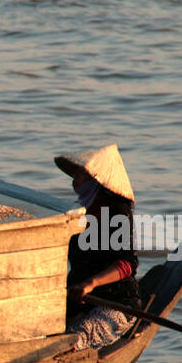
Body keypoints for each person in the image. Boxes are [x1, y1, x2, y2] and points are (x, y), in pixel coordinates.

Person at [55, 144, 141, 351]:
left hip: (115, 302)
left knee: (71, 343)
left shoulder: (117, 212)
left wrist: (91, 283)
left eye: (81, 174)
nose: (75, 179)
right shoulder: (80, 211)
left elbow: (127, 263)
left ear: (97, 179)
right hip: (78, 298)